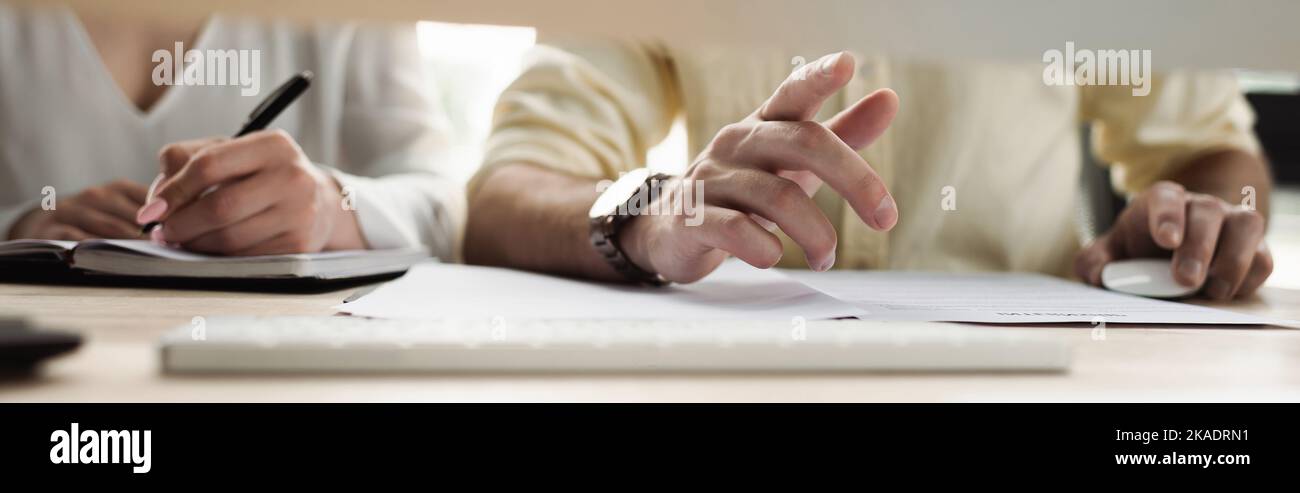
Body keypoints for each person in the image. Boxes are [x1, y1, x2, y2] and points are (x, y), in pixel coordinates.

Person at [465, 43, 1273, 300]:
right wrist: (647, 214)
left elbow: (1212, 150)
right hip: (748, 375)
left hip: (1037, 379)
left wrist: (1193, 217)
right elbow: (507, 191)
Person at [0, 3, 462, 259]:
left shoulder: (350, 15)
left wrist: (329, 206)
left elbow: (445, 208)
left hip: (274, 365)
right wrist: (18, 227)